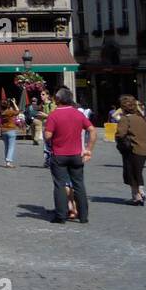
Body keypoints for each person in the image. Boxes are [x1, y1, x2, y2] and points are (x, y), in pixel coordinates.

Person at [44, 87, 97, 224]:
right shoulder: (78, 114)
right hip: (76, 155)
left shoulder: (54, 115)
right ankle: (83, 216)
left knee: (60, 185)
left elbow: (48, 136)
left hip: (59, 155)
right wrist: (88, 149)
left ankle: (61, 216)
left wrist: (48, 132)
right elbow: (92, 130)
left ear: (58, 99)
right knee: (79, 184)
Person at [114, 95, 146, 205]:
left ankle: (137, 195)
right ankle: (140, 192)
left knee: (131, 173)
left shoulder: (125, 119)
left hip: (132, 149)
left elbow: (120, 134)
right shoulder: (140, 118)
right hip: (143, 149)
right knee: (137, 172)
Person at [0, 98, 21, 168]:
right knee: (11, 147)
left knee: (6, 147)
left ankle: (6, 162)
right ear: (8, 105)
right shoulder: (9, 112)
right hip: (11, 130)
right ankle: (9, 162)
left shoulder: (1, 112)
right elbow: (18, 111)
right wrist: (14, 103)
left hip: (3, 131)